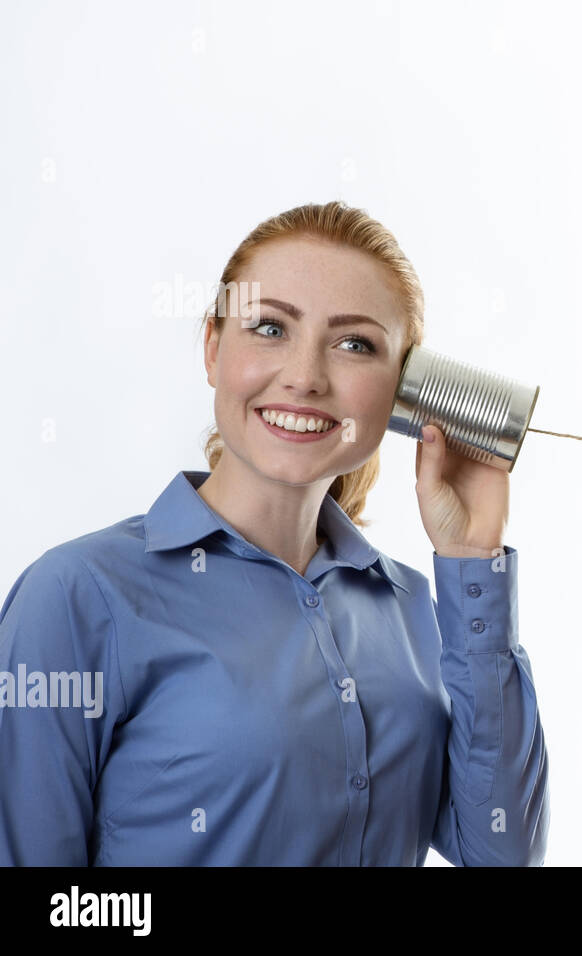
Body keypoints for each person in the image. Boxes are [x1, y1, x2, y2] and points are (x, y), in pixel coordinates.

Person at [0, 201, 548, 866]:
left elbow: (500, 853)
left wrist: (471, 559)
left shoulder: (414, 613)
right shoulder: (77, 596)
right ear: (212, 347)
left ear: (407, 393)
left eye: (356, 345)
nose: (306, 377)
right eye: (269, 327)